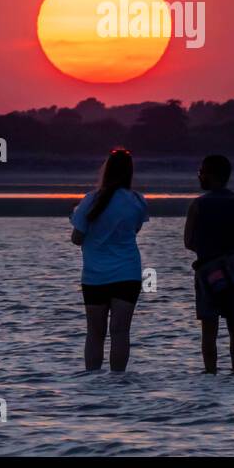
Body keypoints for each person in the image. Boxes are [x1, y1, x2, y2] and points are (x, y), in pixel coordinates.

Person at [184, 154, 234, 374]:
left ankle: (210, 372)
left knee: (209, 329)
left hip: (208, 271)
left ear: (210, 175)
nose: (199, 175)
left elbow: (188, 242)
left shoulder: (198, 205)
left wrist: (208, 250)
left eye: (201, 172)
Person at [70, 148, 148, 372]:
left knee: (95, 332)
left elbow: (77, 239)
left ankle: (93, 380)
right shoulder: (137, 201)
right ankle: (118, 382)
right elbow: (135, 229)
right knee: (120, 331)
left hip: (95, 275)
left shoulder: (90, 201)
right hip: (128, 273)